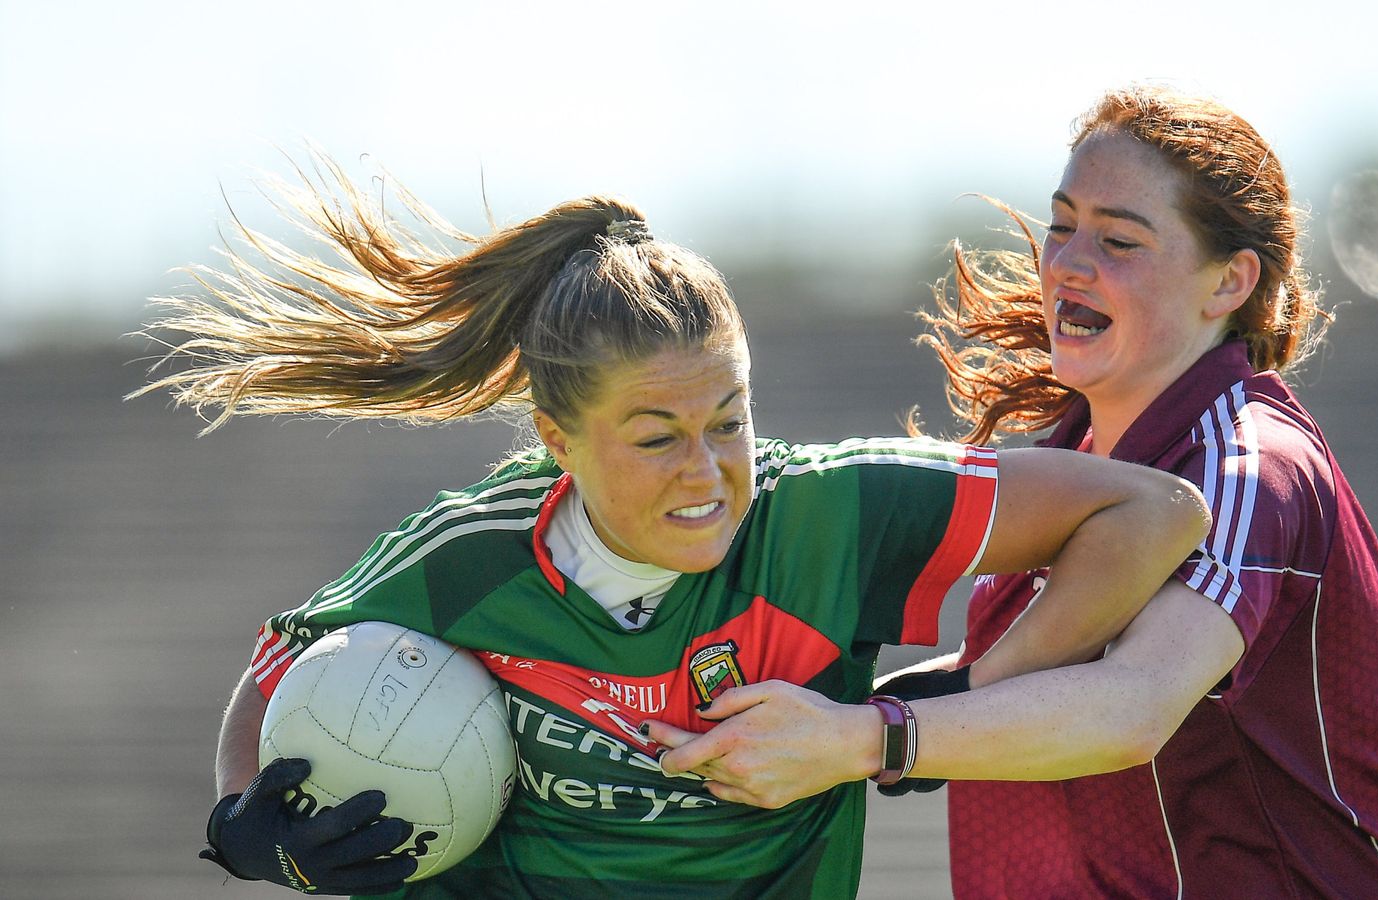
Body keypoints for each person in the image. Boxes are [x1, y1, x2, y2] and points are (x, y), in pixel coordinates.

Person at [138, 157, 1211, 897]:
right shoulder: (473, 551)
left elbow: (1150, 511)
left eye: (728, 420)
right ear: (558, 439)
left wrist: (952, 703)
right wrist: (247, 827)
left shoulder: (827, 516)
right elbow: (285, 660)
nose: (706, 472)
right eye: (654, 436)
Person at [650, 84, 1378, 897]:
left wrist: (868, 738)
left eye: (1120, 241)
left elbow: (1133, 704)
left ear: (1230, 282)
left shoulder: (1251, 465)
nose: (1066, 262)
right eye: (1062, 226)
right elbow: (1005, 691)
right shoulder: (1083, 465)